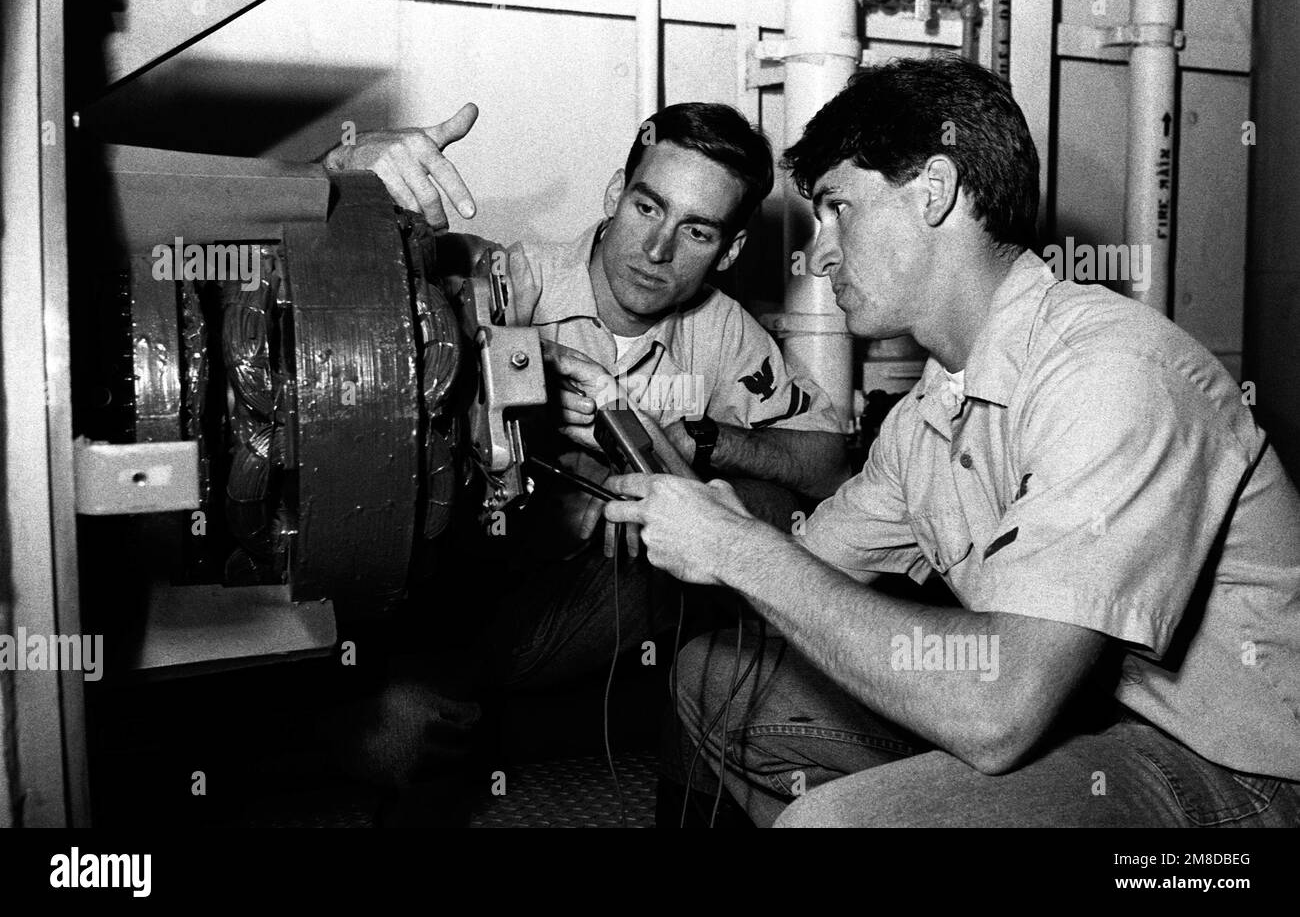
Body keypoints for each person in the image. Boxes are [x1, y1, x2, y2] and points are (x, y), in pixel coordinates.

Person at [601, 56, 1300, 827]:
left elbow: (999, 708)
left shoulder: (1113, 375)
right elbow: (804, 575)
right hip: (1079, 725)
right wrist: (699, 516)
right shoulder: (929, 414)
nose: (821, 253)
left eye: (839, 209)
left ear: (934, 190)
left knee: (829, 826)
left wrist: (741, 551)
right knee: (715, 676)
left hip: (1237, 772)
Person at [322, 102, 848, 812]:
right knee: (393, 734)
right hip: (468, 600)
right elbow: (336, 258)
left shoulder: (723, 329)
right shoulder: (503, 281)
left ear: (727, 250)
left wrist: (700, 439)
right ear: (614, 194)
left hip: (608, 600)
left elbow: (824, 463)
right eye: (646, 207)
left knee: (772, 515)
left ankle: (698, 756)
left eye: (695, 230)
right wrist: (350, 164)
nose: (657, 249)